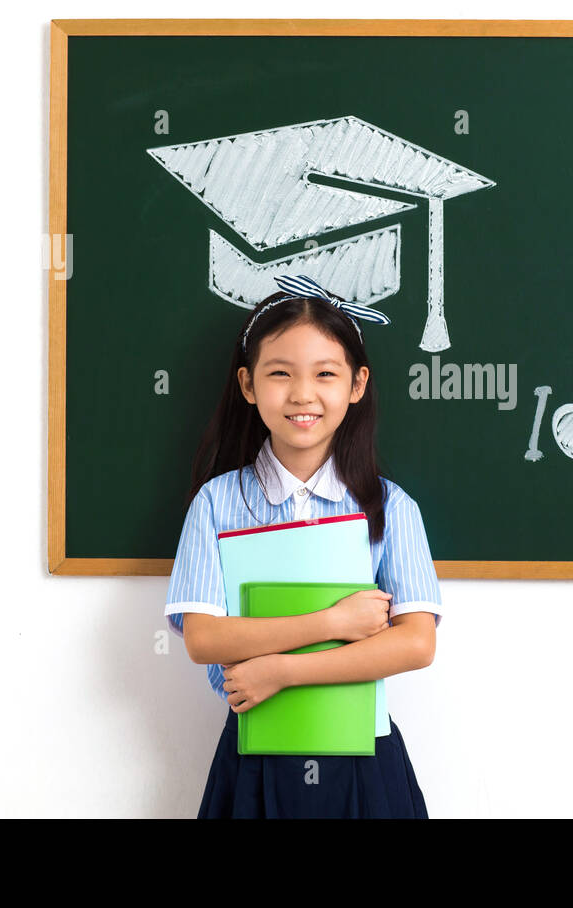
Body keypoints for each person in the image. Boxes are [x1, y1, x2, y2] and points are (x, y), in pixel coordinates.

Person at [164, 273, 442, 818]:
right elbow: (203, 638)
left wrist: (281, 670)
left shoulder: (390, 508)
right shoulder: (218, 503)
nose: (302, 394)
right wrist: (333, 623)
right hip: (256, 754)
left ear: (357, 384)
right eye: (280, 374)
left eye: (325, 374)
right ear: (248, 385)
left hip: (364, 752)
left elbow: (416, 644)